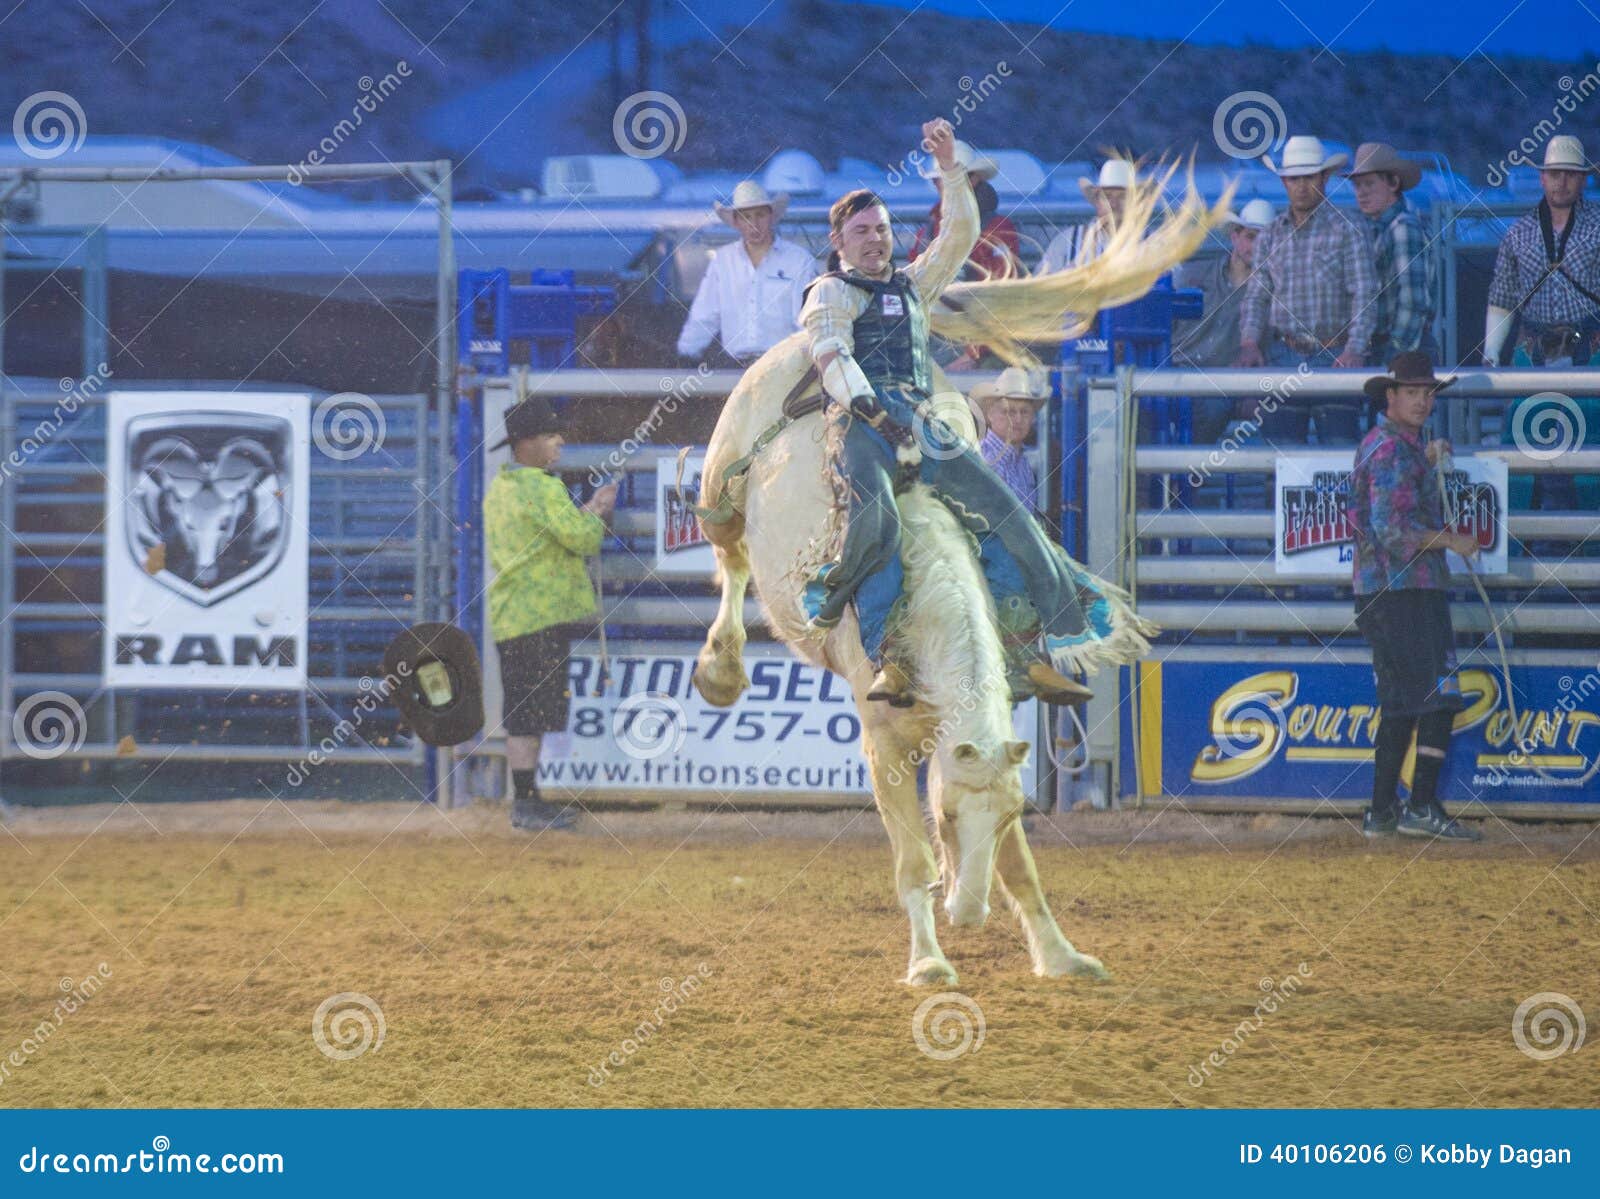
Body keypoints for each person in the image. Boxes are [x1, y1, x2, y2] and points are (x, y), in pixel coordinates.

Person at [797, 116, 1094, 709]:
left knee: (1002, 507)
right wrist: (871, 412)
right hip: (860, 423)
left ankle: (1031, 650)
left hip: (920, 419)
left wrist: (952, 168)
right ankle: (889, 659)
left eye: (881, 229)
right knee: (876, 518)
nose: (875, 239)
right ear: (841, 242)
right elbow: (831, 357)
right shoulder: (829, 291)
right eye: (862, 231)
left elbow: (958, 236)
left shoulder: (912, 284)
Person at [1348, 352, 1482, 841]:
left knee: (1402, 702)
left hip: (1384, 592)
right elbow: (1391, 529)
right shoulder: (1390, 452)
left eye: (1427, 392)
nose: (1423, 401)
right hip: (1404, 590)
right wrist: (1451, 540)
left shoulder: (1390, 447)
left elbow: (1387, 513)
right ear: (1392, 397)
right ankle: (1419, 805)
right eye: (1413, 392)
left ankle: (1382, 811)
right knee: (1437, 697)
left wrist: (1424, 458)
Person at [483, 396, 618, 831]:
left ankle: (526, 797)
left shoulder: (503, 487)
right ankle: (525, 801)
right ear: (528, 443)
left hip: (513, 614)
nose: (558, 441)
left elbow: (551, 533)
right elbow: (580, 539)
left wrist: (581, 517)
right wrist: (596, 511)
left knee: (523, 709)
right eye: (550, 435)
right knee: (532, 712)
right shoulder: (542, 488)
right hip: (538, 616)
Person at [1238, 136, 1378, 445]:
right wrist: (1249, 341)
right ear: (1284, 182)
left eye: (1308, 177)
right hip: (1283, 352)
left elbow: (1365, 293)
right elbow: (1256, 296)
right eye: (1294, 179)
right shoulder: (1270, 235)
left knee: (1340, 451)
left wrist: (1355, 348)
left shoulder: (1348, 227)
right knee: (1281, 457)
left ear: (1324, 178)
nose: (1301, 186)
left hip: (1336, 355)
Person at [1484, 135, 1600, 368]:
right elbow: (1502, 297)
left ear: (1583, 180)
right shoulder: (1519, 232)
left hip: (1592, 346)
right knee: (1533, 405)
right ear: (1543, 179)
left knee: (1590, 406)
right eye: (1555, 174)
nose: (1562, 181)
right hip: (1533, 347)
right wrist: (1491, 349)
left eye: (1571, 174)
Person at [677, 180, 819, 366]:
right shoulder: (722, 261)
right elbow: (704, 316)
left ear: (771, 217)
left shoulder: (799, 260)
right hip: (733, 367)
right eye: (746, 217)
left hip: (785, 366)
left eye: (760, 215)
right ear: (736, 222)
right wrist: (683, 357)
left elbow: (806, 321)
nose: (754, 224)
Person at [910, 141, 1019, 372]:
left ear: (973, 179)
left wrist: (973, 354)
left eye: (952, 176)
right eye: (940, 179)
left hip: (981, 340)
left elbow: (1001, 294)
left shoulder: (998, 229)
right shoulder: (926, 233)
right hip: (932, 338)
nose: (944, 184)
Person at [1172, 197, 1274, 441]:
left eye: (1266, 240)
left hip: (1222, 384)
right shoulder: (1192, 275)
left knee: (1215, 407)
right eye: (1251, 237)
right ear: (1235, 237)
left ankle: (1185, 473)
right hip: (1175, 372)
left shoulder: (1274, 293)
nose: (1258, 247)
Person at [1346, 142, 1436, 363]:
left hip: (1406, 349)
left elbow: (1413, 301)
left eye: (1369, 184)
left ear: (1393, 183)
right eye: (1357, 186)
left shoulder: (1404, 226)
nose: (1361, 193)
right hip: (1384, 347)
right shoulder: (1374, 230)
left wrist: (1396, 353)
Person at [1038, 158, 1131, 273]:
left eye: (1123, 197)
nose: (1113, 204)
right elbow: (1041, 283)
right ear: (1097, 201)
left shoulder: (1150, 242)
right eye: (1107, 196)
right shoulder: (1067, 240)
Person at [972, 366, 1046, 510]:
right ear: (990, 415)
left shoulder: (1023, 463)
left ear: (1032, 418)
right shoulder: (980, 458)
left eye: (1024, 412)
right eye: (1009, 412)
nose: (1018, 419)